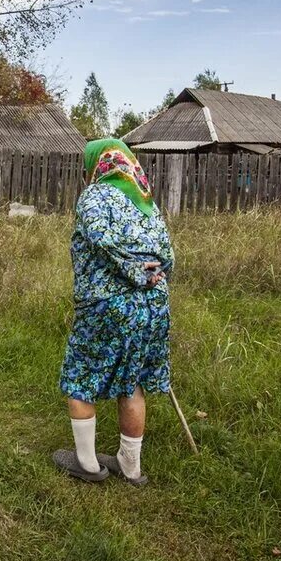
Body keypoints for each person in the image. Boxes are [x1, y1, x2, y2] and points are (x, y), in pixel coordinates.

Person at [51, 138, 174, 486]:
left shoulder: (95, 195)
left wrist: (134, 271)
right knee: (131, 380)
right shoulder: (146, 203)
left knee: (81, 376)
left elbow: (100, 238)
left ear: (96, 165)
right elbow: (169, 256)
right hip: (152, 306)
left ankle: (88, 465)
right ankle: (130, 467)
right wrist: (154, 276)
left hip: (108, 304)